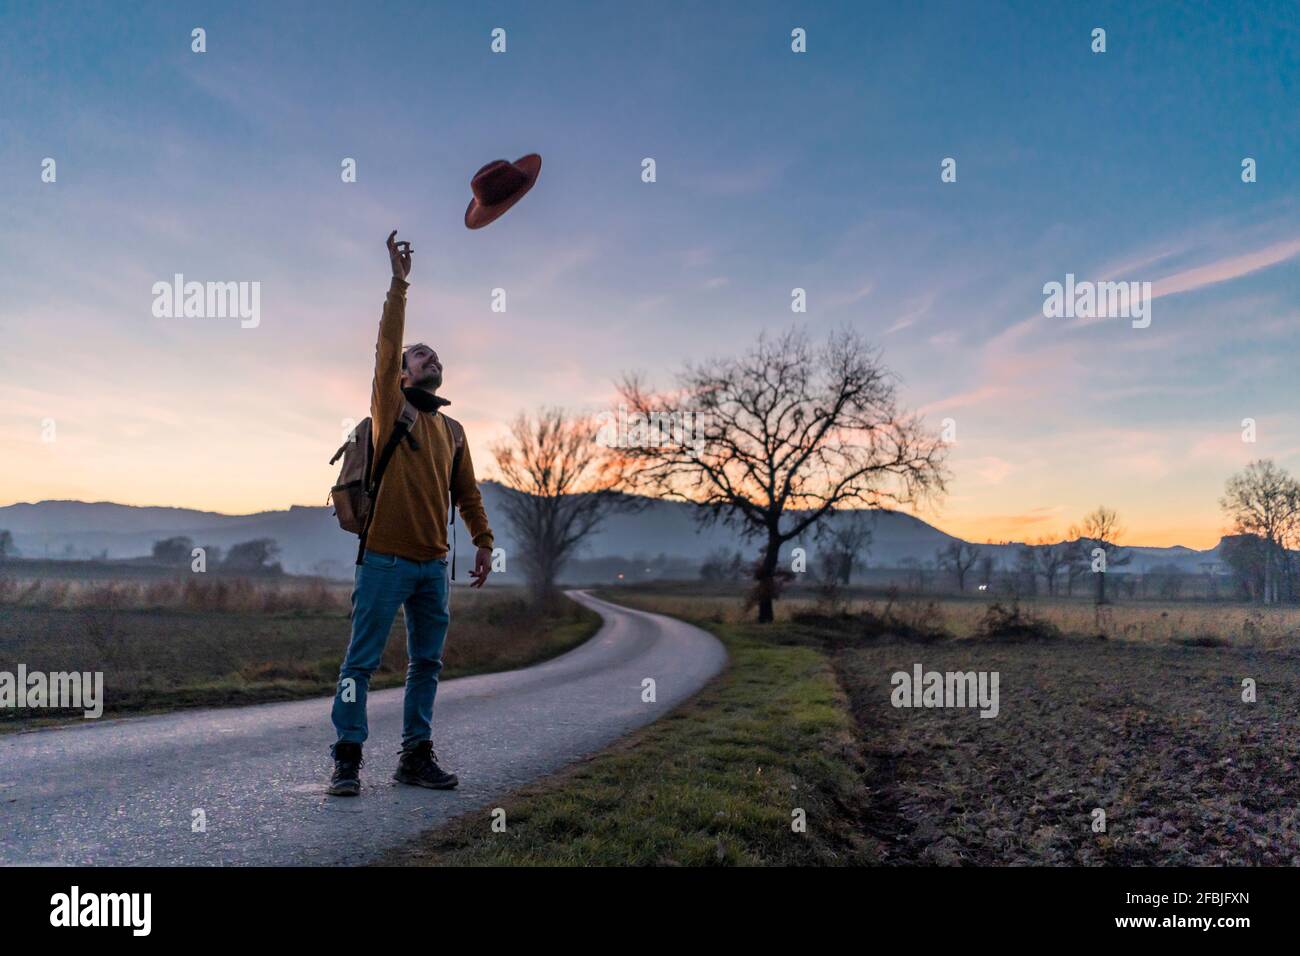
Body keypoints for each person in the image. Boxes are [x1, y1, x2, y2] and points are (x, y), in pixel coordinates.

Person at [327, 230, 495, 796]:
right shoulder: (388, 407)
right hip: (383, 561)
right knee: (360, 665)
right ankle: (347, 760)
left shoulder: (454, 430)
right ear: (401, 376)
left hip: (432, 568)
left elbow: (468, 496)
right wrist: (398, 287)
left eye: (436, 355)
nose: (433, 357)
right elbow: (385, 348)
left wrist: (484, 542)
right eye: (421, 354)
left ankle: (414, 758)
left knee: (426, 666)